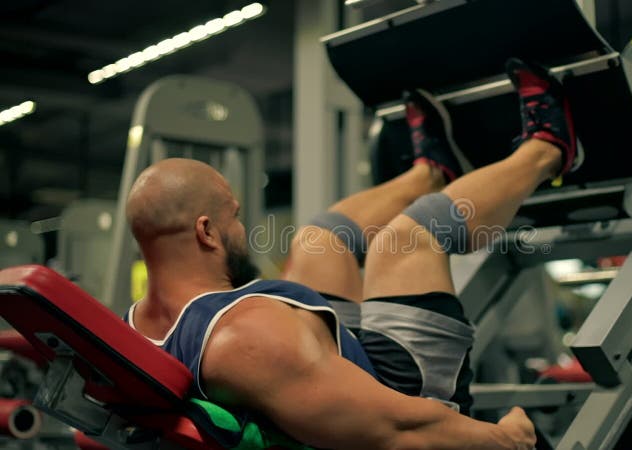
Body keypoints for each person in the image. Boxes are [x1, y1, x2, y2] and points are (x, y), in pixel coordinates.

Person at [124, 58, 578, 450]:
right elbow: (394, 431)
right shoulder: (247, 339)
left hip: (338, 374)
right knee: (409, 237)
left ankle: (432, 173)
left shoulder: (135, 326)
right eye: (234, 217)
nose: (243, 228)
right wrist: (506, 439)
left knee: (319, 240)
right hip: (403, 396)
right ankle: (550, 150)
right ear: (206, 232)